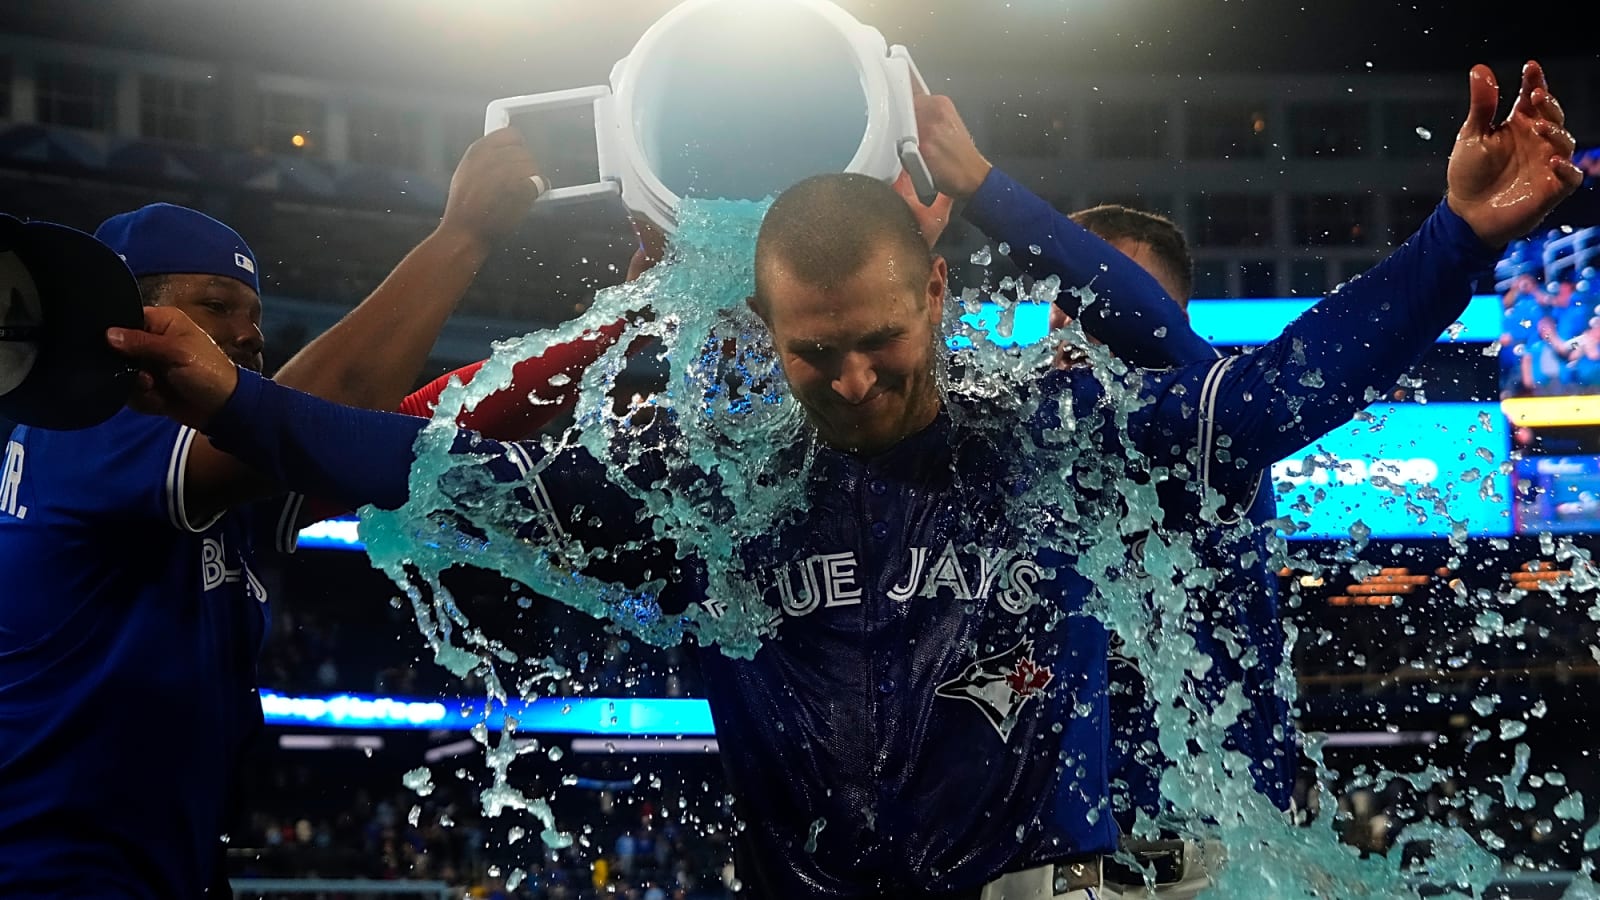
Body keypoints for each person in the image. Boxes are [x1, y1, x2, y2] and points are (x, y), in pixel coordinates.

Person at [107, 61, 1580, 900]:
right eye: (817, 358)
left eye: (877, 343)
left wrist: (1456, 242)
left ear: (938, 293)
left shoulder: (1053, 435)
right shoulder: (702, 485)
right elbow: (438, 466)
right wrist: (239, 399)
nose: (855, 382)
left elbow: (1273, 388)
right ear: (768, 333)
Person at [0, 125, 651, 898]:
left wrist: (609, 327)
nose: (248, 333)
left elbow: (434, 430)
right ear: (132, 324)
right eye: (214, 306)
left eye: (255, 315)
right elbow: (319, 405)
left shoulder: (215, 476)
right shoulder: (87, 429)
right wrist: (463, 236)